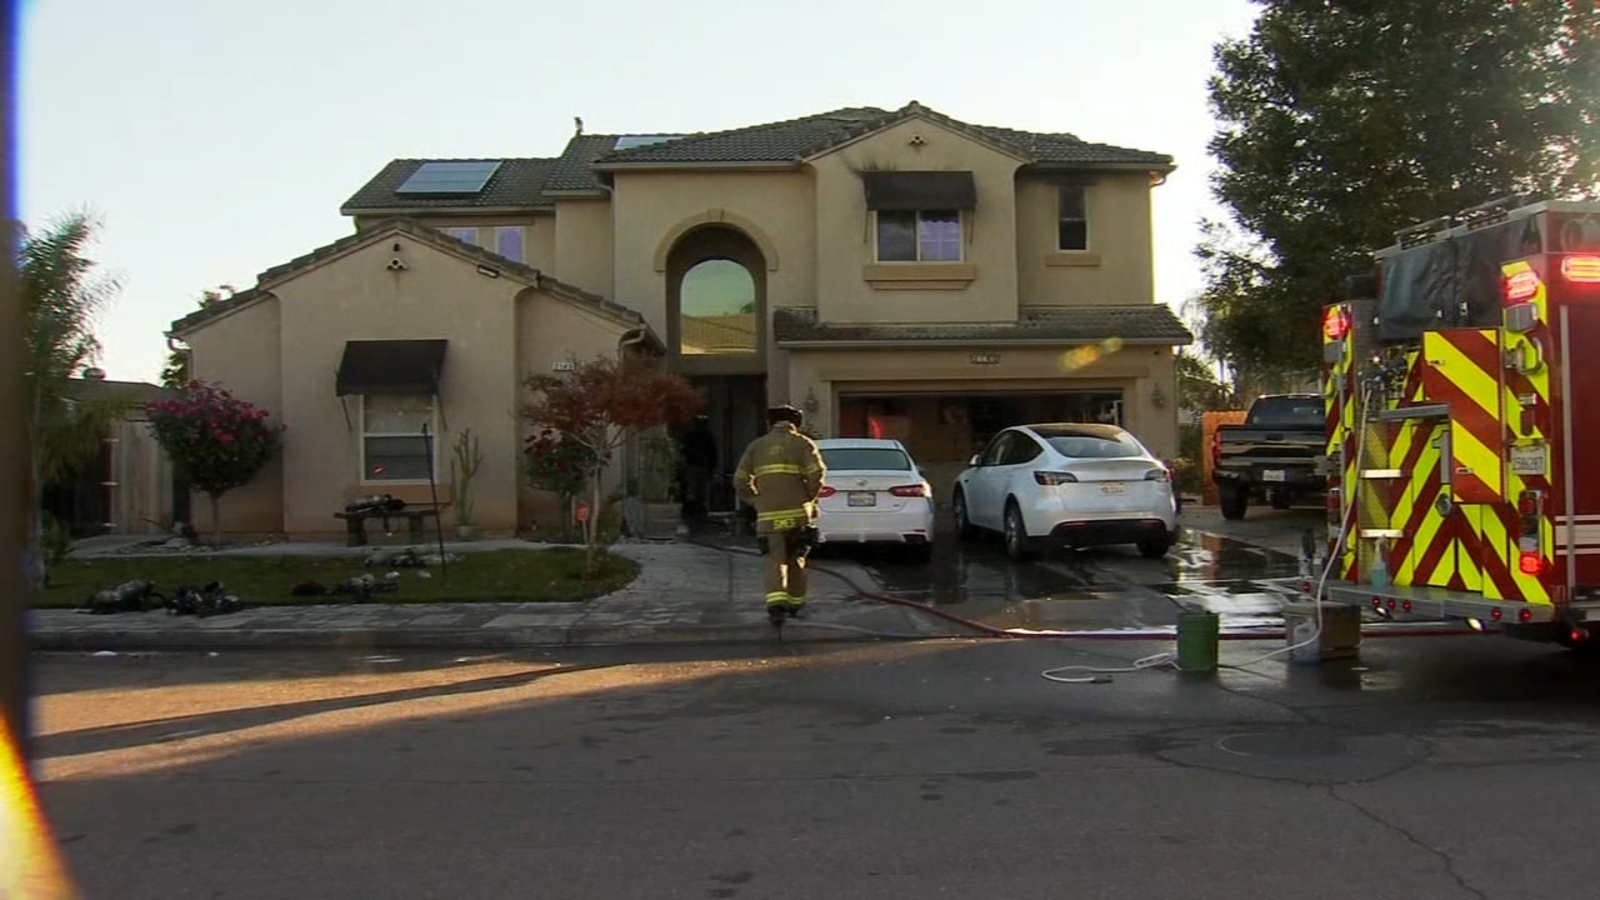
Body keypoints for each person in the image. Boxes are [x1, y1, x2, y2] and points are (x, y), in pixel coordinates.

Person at [733, 405, 826, 623]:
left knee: (774, 560)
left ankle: (775, 606)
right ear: (796, 422)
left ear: (770, 422)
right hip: (797, 514)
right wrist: (808, 499)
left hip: (768, 516)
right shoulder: (803, 444)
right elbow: (817, 474)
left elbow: (739, 480)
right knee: (796, 559)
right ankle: (795, 604)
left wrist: (755, 501)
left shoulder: (756, 447)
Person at [679, 415, 717, 520]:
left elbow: (683, 450)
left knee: (693, 489)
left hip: (694, 465)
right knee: (700, 490)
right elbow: (713, 453)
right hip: (700, 466)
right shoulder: (707, 436)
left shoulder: (691, 436)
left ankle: (693, 509)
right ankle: (698, 509)